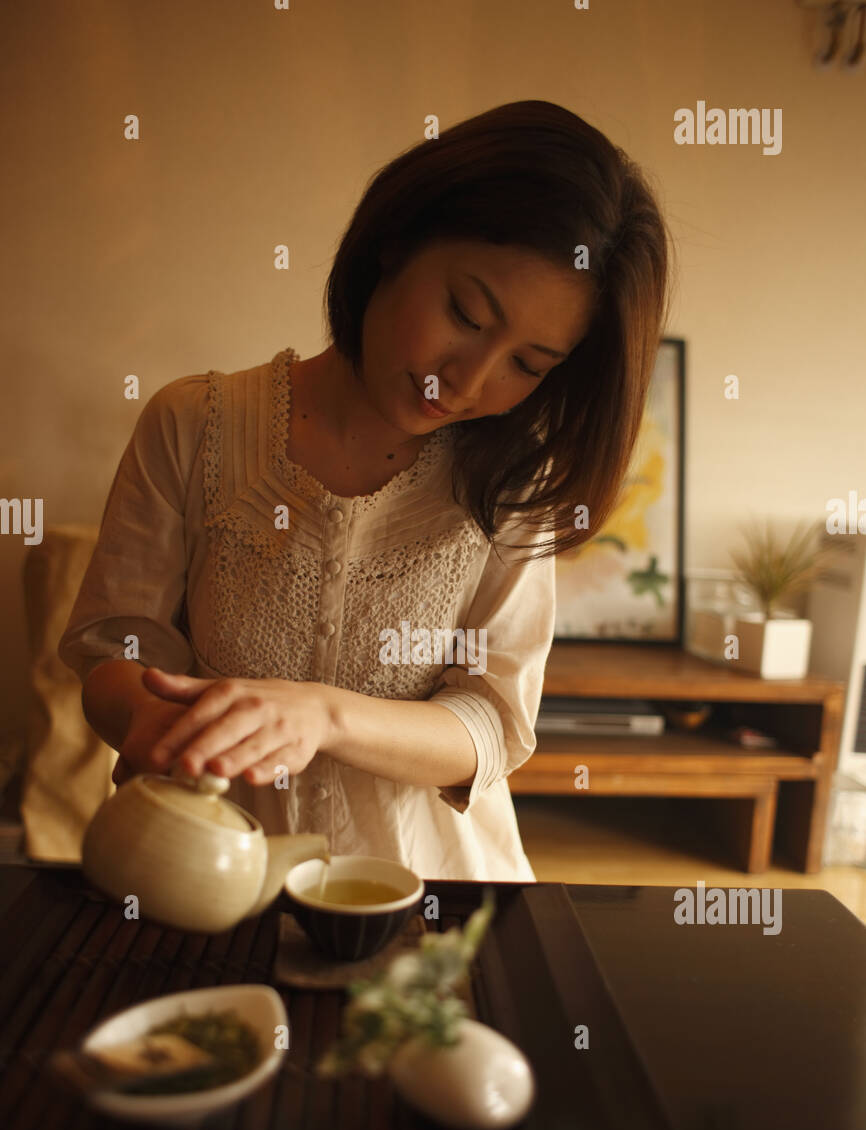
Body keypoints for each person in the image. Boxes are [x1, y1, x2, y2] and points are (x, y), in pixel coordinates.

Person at [59, 99, 673, 881]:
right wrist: (150, 719)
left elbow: (491, 724)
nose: (469, 381)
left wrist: (324, 716)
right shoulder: (194, 423)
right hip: (211, 880)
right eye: (466, 313)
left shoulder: (509, 484)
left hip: (432, 900)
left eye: (530, 363)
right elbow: (116, 648)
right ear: (396, 242)